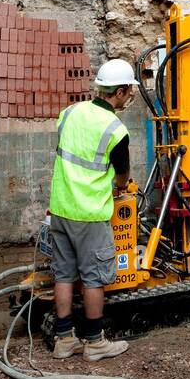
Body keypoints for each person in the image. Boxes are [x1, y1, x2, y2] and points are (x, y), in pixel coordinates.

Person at [46, 58, 137, 360]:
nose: (131, 96)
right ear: (120, 91)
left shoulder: (69, 112)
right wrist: (119, 186)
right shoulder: (115, 129)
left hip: (60, 209)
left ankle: (64, 340)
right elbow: (122, 176)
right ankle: (95, 342)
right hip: (90, 214)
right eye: (130, 91)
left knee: (63, 275)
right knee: (93, 278)